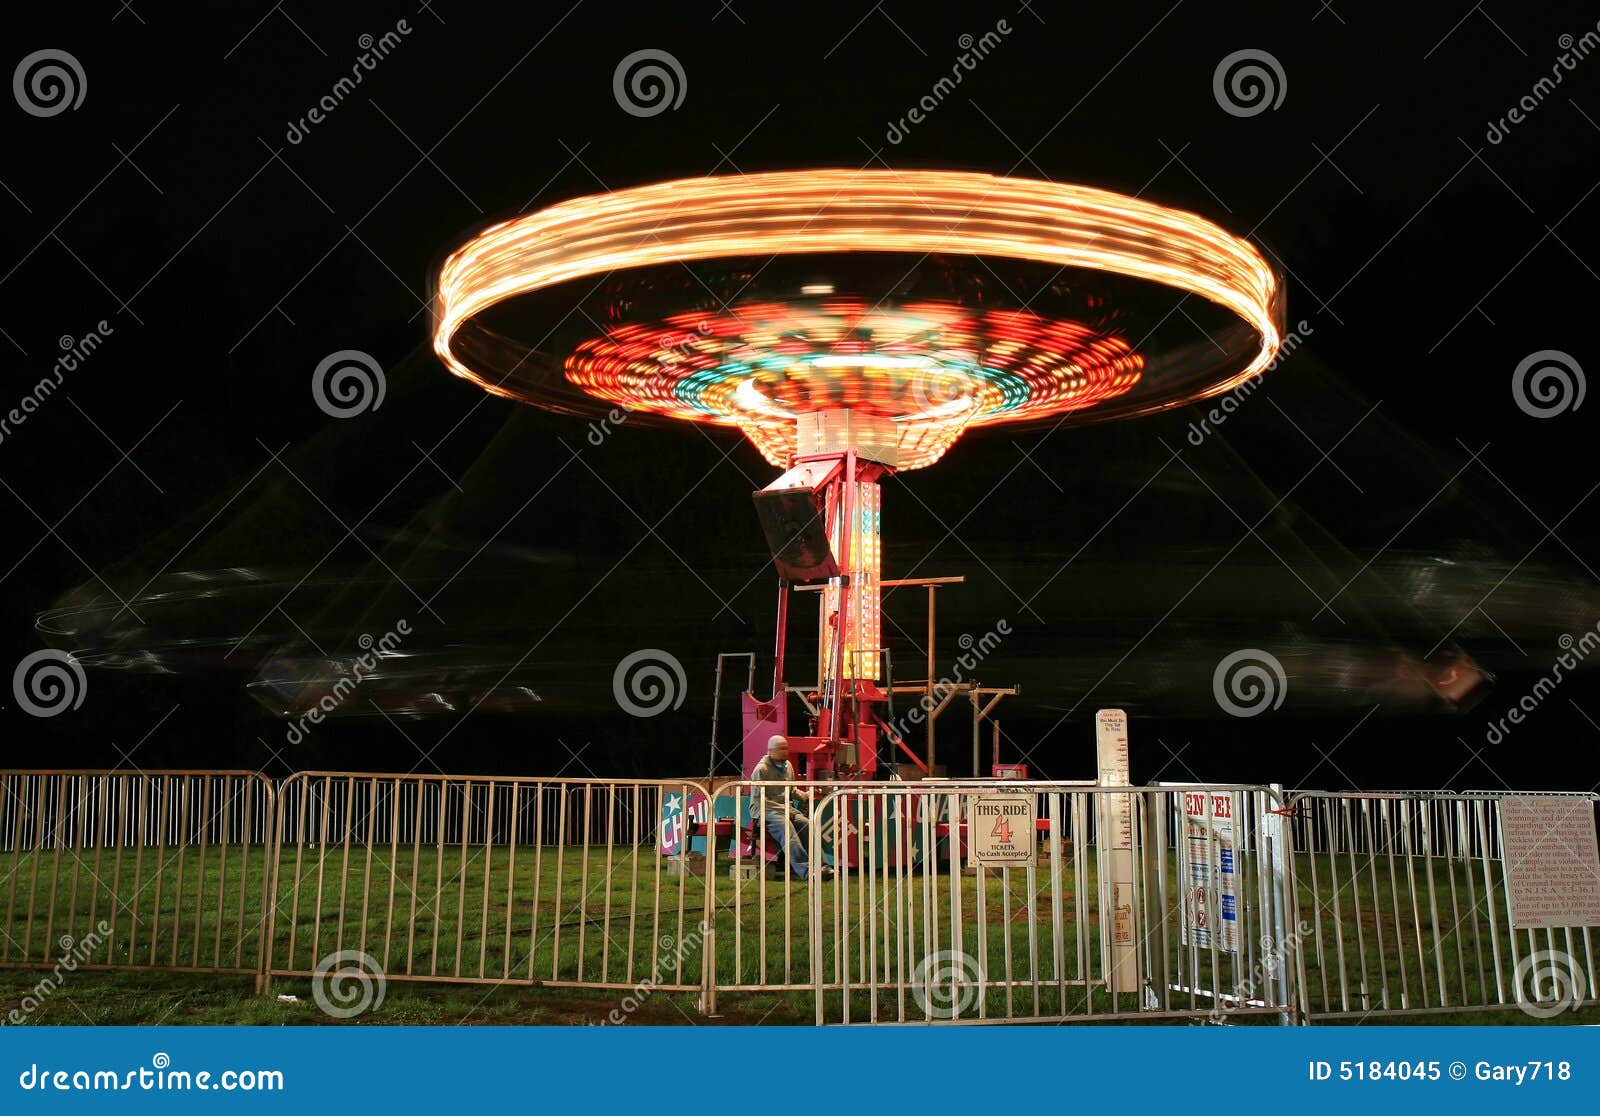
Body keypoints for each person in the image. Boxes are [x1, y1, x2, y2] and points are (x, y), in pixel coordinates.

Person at [749, 735, 833, 880]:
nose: (785, 751)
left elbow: (791, 790)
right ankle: (806, 872)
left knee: (807, 824)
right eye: (782, 748)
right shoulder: (761, 770)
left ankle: (822, 866)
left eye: (786, 748)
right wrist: (785, 811)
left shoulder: (788, 766)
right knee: (787, 828)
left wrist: (805, 795)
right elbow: (759, 800)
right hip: (765, 810)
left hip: (785, 809)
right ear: (771, 750)